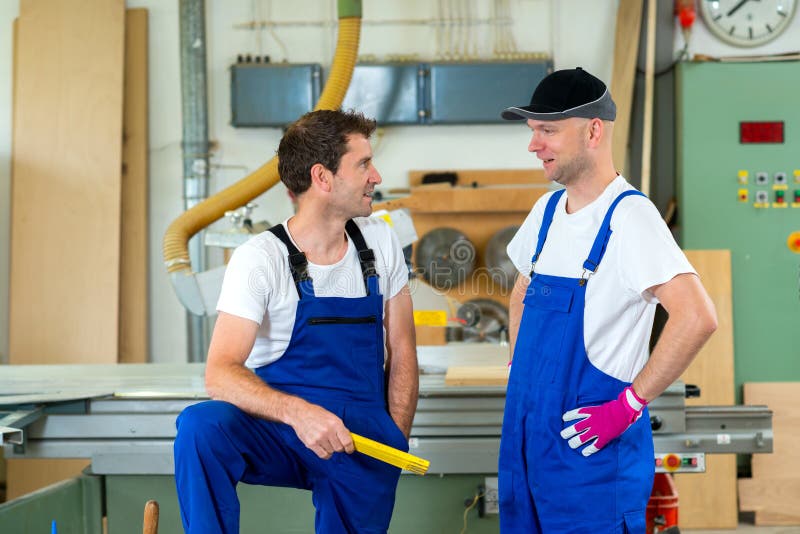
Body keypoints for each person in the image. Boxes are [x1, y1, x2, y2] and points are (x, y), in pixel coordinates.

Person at [173, 109, 419, 534]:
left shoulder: (381, 241)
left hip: (359, 434)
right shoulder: (260, 258)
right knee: (201, 427)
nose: (375, 176)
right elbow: (219, 373)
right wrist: (299, 414)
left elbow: (402, 351)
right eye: (363, 164)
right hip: (280, 427)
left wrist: (393, 439)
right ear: (322, 178)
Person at [498, 67, 718, 532]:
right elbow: (522, 289)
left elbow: (697, 316)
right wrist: (521, 368)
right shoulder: (548, 210)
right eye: (533, 131)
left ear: (593, 130)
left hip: (589, 461)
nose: (534, 144)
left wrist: (629, 405)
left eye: (548, 130)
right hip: (526, 443)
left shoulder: (631, 218)